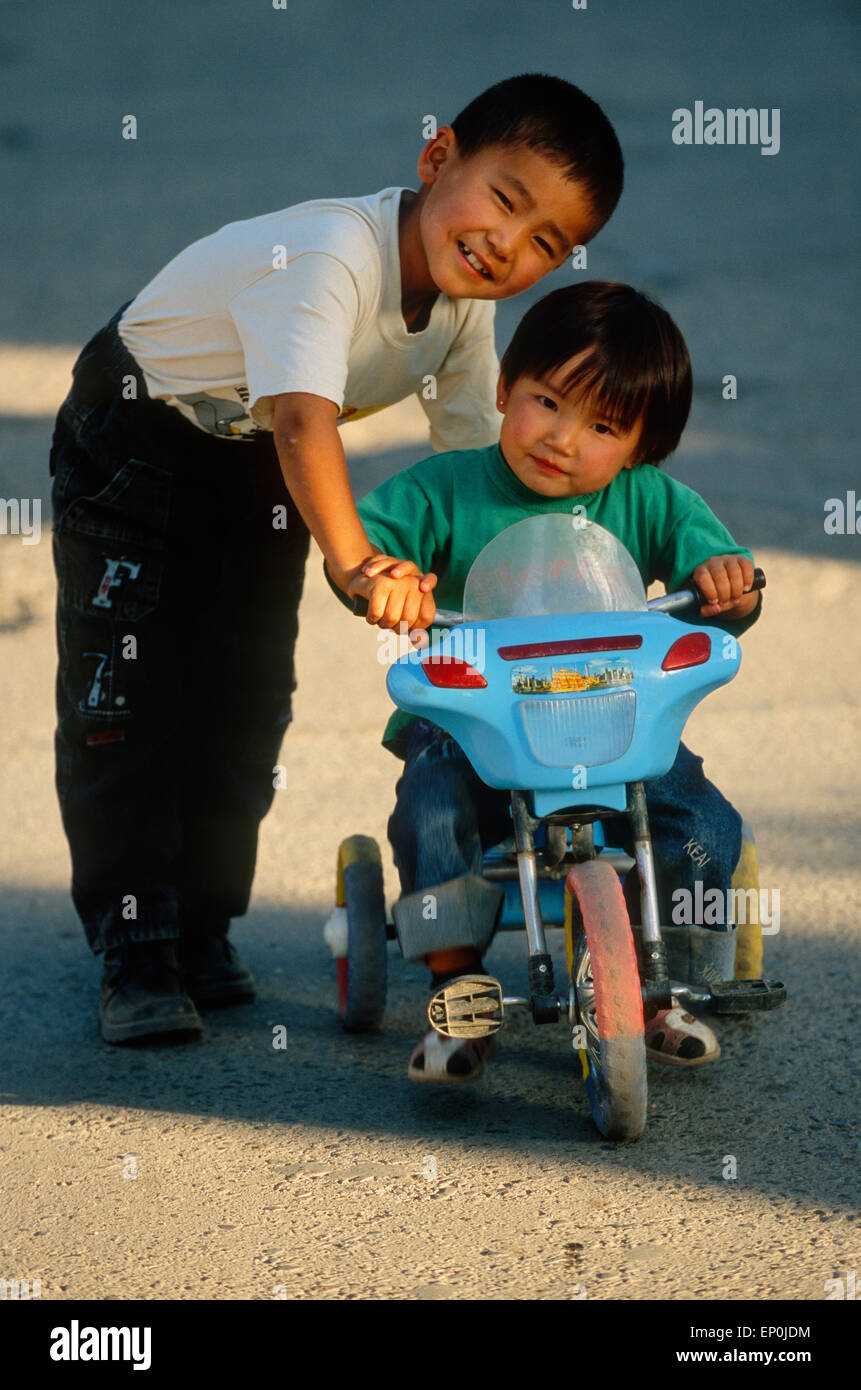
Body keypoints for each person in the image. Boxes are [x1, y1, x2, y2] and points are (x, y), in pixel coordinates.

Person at [50, 74, 625, 1044]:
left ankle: (201, 926)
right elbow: (307, 421)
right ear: (437, 157)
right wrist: (360, 565)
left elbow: (476, 462)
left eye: (545, 246)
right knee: (128, 702)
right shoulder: (325, 258)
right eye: (504, 199)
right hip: (140, 443)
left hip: (257, 464)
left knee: (246, 696)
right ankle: (135, 947)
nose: (506, 247)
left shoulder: (458, 307)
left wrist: (568, 560)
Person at [330, 282, 763, 1082]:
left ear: (638, 448)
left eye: (601, 426)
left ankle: (664, 985)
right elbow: (365, 545)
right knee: (432, 810)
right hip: (473, 720)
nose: (562, 439)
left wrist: (723, 581)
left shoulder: (653, 501)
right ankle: (456, 983)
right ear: (503, 389)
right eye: (546, 401)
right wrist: (379, 576)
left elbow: (714, 579)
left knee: (699, 818)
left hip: (613, 717)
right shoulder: (443, 489)